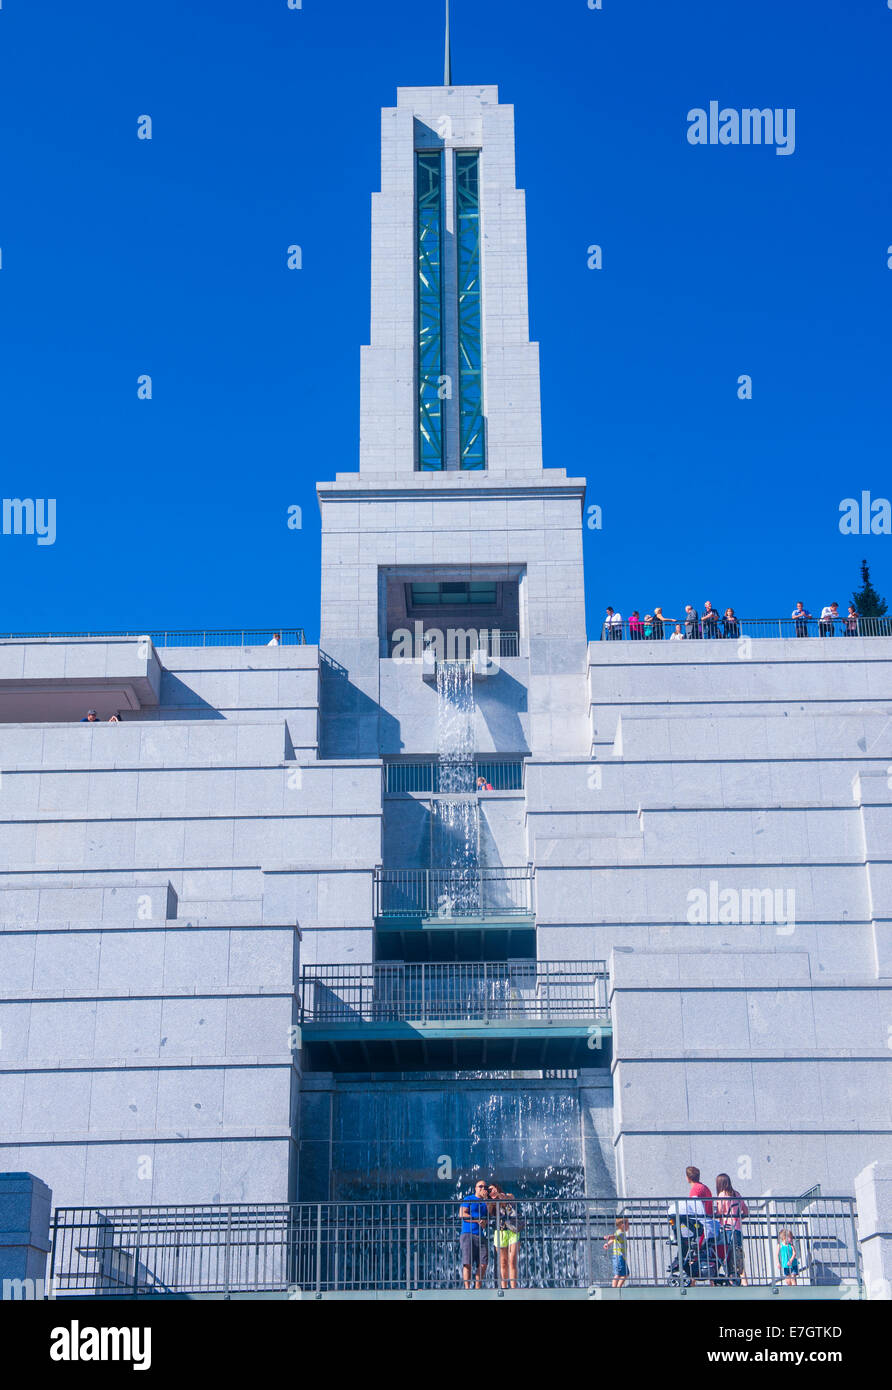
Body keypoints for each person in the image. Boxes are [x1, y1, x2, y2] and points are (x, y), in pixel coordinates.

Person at [714, 1173, 749, 1286]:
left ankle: (729, 1281)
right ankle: (743, 1282)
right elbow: (746, 1211)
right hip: (737, 1229)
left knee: (725, 1255)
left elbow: (719, 1213)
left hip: (726, 1229)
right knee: (737, 1256)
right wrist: (738, 1218)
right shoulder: (737, 1194)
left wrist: (713, 1216)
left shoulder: (721, 1195)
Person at [460, 1179, 490, 1288]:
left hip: (480, 1235)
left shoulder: (485, 1202)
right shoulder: (468, 1199)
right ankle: (467, 1289)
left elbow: (488, 1216)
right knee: (467, 1263)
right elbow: (462, 1214)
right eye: (480, 1186)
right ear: (475, 1188)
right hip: (468, 1233)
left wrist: (487, 1199)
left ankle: (477, 1287)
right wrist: (477, 1220)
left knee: (483, 1263)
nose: (483, 1188)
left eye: (485, 1187)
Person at [488, 1183, 520, 1289]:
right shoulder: (491, 1202)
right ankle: (504, 1287)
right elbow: (490, 1213)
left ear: (497, 1188)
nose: (491, 1191)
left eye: (492, 1189)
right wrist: (488, 1199)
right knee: (503, 1262)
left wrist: (498, 1195)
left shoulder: (508, 1195)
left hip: (512, 1231)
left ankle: (514, 1287)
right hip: (500, 1231)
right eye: (489, 1190)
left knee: (512, 1260)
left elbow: (507, 1199)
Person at [604, 1215, 630, 1288]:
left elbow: (614, 1238)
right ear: (623, 1225)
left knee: (624, 1273)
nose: (629, 1225)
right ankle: (616, 1289)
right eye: (628, 1224)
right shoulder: (620, 1233)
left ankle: (617, 1288)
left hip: (619, 1257)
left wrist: (608, 1244)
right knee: (620, 1274)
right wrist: (609, 1237)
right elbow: (614, 1237)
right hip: (619, 1257)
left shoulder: (619, 1232)